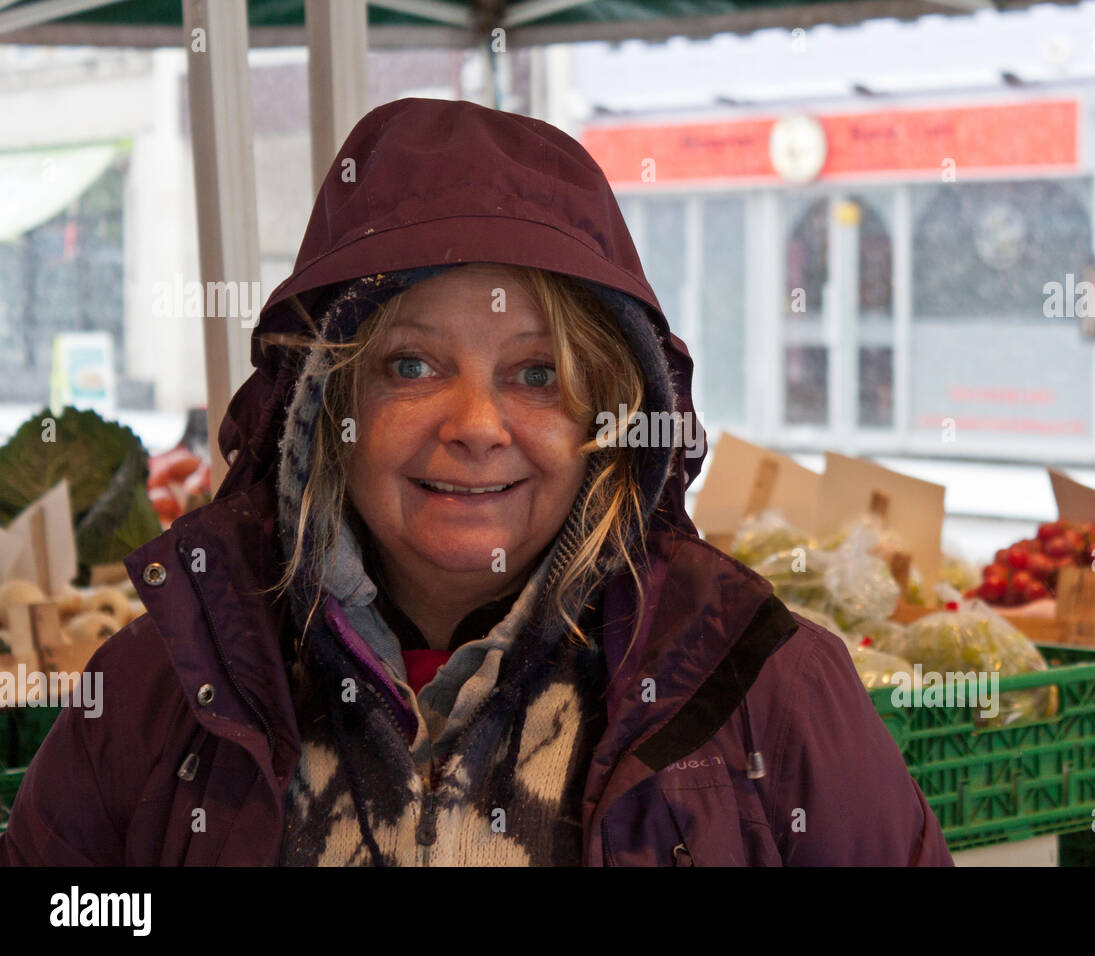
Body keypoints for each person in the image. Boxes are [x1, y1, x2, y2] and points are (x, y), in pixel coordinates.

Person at [0, 98, 951, 866]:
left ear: (607, 416)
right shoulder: (151, 695)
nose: (476, 427)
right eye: (411, 367)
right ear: (323, 409)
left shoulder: (767, 691)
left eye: (538, 374)